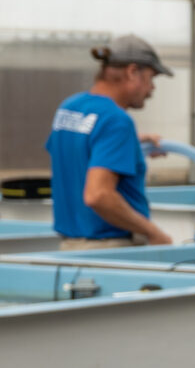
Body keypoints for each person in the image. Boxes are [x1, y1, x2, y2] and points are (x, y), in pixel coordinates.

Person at [48, 34, 173, 248]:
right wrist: (154, 234)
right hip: (108, 247)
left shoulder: (70, 107)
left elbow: (80, 148)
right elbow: (98, 195)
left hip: (69, 246)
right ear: (133, 72)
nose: (152, 89)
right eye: (151, 78)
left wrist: (132, 144)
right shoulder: (117, 120)